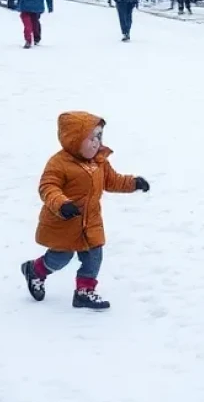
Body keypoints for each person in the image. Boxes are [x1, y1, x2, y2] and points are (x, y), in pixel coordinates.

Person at [20, 111, 149, 310]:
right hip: (64, 221)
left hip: (91, 222)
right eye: (91, 138)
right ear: (74, 140)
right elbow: (48, 187)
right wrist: (62, 204)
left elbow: (112, 181)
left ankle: (84, 292)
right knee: (60, 258)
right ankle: (35, 270)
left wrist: (133, 183)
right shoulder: (59, 163)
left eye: (99, 136)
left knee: (94, 255)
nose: (97, 142)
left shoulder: (99, 162)